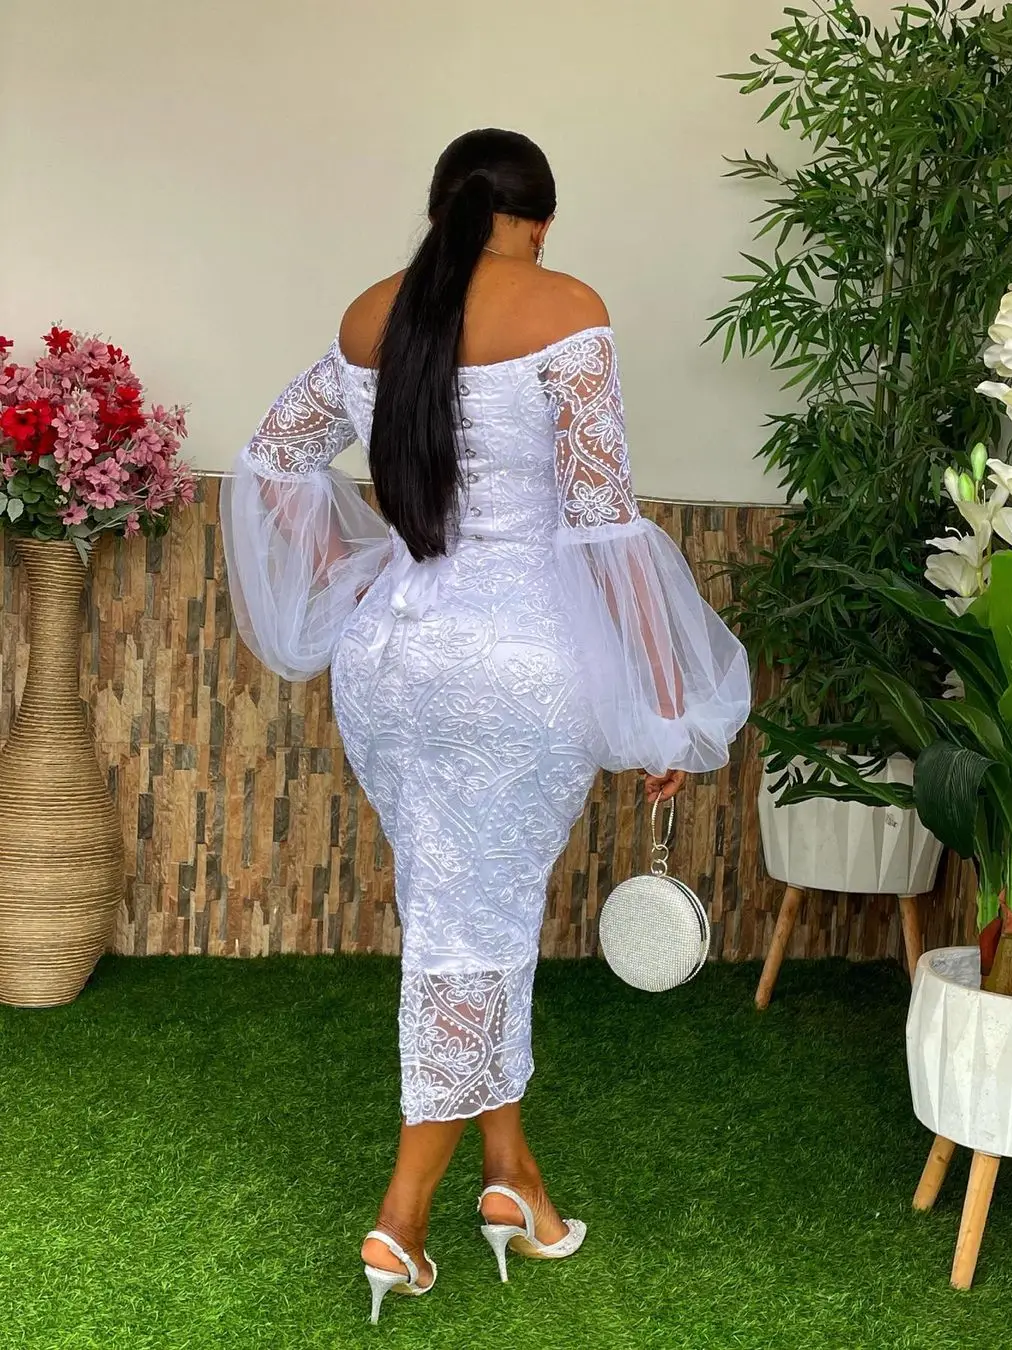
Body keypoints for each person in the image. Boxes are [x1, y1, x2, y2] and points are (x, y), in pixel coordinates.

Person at [221, 127, 751, 1324]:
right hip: (517, 668)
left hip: (394, 659)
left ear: (443, 208)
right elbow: (605, 523)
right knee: (472, 925)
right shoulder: (567, 308)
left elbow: (271, 462)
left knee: (467, 912)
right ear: (539, 220)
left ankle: (515, 1180)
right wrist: (660, 703)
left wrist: (359, 576)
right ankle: (401, 1218)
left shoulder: (375, 313)